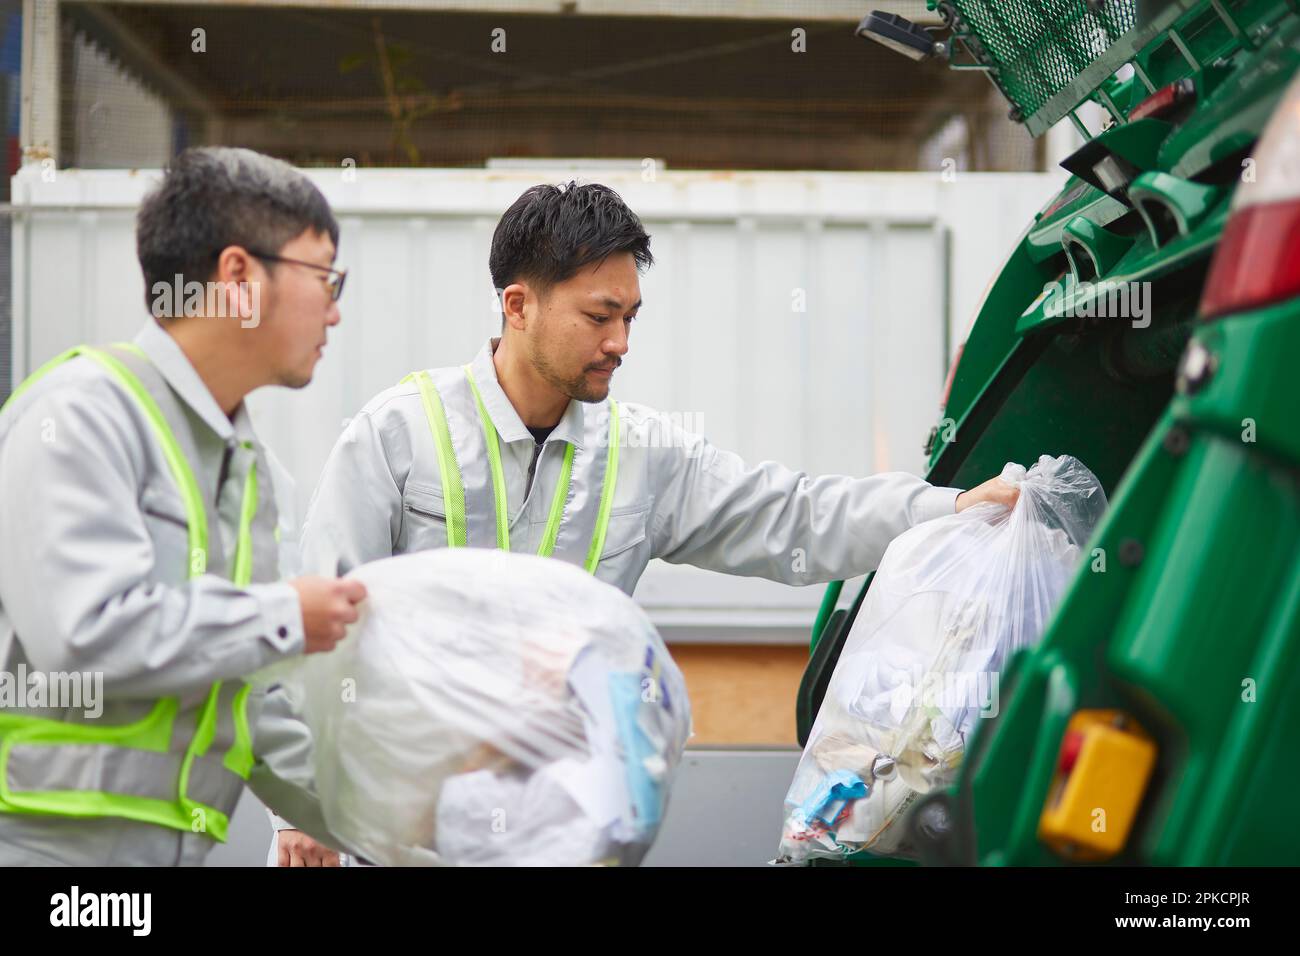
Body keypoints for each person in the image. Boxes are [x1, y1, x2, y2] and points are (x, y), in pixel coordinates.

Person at [273, 180, 1018, 862]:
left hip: (559, 831)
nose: (620, 344)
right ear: (517, 305)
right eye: (600, 316)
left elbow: (795, 515)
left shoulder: (643, 454)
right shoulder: (398, 435)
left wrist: (945, 510)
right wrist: (299, 814)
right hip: (404, 829)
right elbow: (313, 631)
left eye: (630, 317)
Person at [0, 147, 366, 866]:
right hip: (44, 850)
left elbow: (250, 696)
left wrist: (398, 826)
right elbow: (84, 632)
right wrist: (285, 614)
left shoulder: (249, 466)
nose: (335, 308)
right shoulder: (82, 415)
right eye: (323, 276)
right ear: (238, 276)